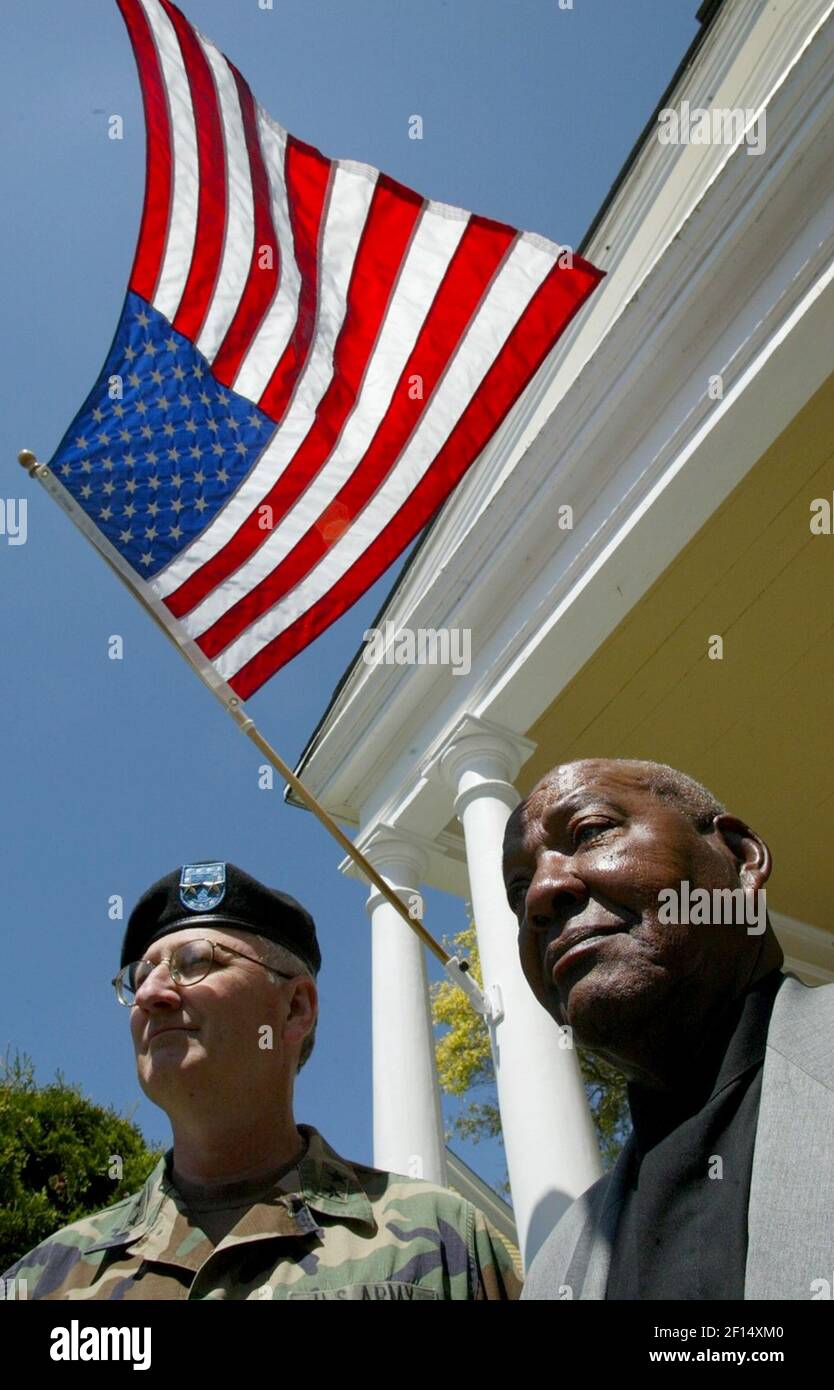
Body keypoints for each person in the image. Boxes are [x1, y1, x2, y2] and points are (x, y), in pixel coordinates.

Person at [4, 861, 519, 1301]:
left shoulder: (443, 1239)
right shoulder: (44, 1278)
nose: (150, 994)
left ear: (294, 1008)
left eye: (195, 962)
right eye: (140, 976)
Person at [502, 758, 834, 1301]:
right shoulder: (556, 1270)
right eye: (517, 893)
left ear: (741, 857)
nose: (542, 892)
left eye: (590, 831)